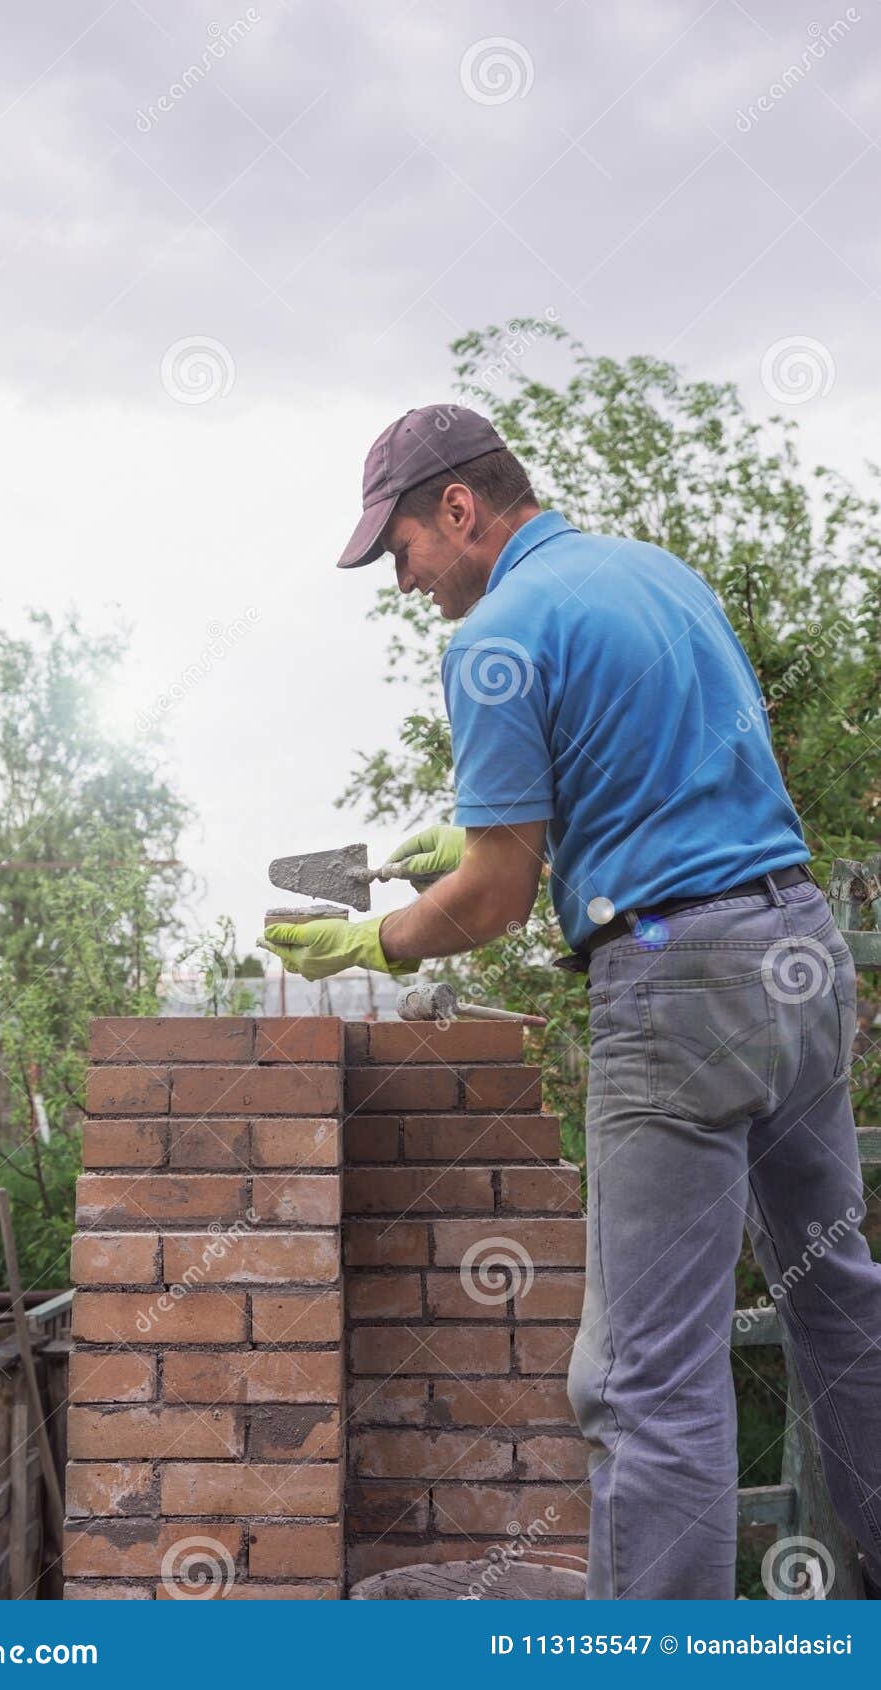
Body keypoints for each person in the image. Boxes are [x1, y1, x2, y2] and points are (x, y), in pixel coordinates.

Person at [261, 403, 881, 1601]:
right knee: (834, 1296)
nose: (402, 583)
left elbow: (492, 897)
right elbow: (675, 765)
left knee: (645, 1377)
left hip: (677, 986)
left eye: (398, 551)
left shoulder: (493, 632)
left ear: (457, 507)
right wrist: (486, 826)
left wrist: (376, 940)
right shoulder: (656, 575)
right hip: (794, 952)